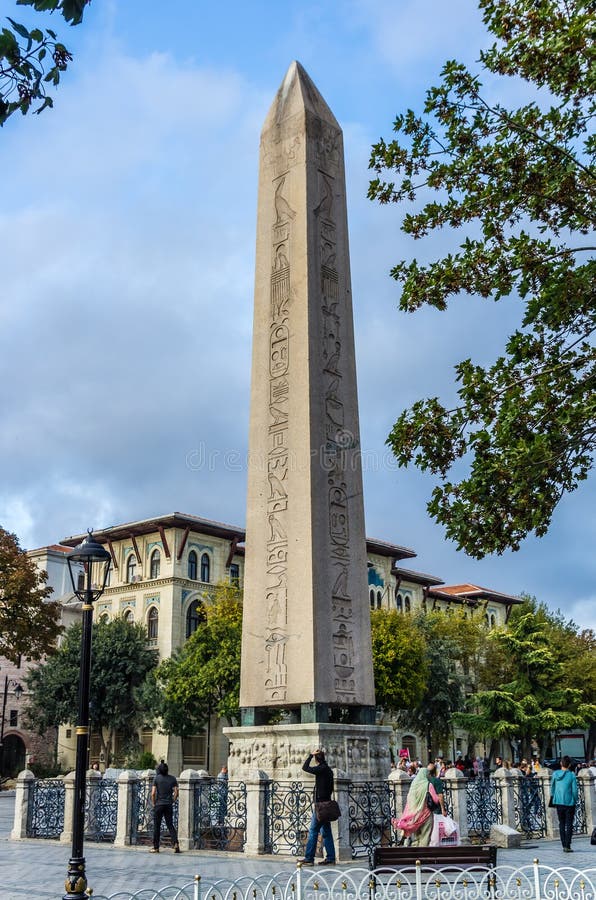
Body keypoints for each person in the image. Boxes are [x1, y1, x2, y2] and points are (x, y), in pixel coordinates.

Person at [299, 749, 336, 866]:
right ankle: (330, 858)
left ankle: (309, 858)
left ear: (316, 759)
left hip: (320, 805)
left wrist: (310, 755)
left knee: (313, 831)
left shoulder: (321, 769)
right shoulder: (328, 770)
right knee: (326, 832)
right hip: (327, 804)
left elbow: (305, 768)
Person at [395, 766, 438, 847]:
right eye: (428, 774)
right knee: (425, 836)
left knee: (416, 837)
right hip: (426, 815)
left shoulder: (413, 785)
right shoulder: (428, 785)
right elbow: (435, 800)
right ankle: (423, 856)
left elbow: (409, 800)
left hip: (414, 815)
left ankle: (415, 856)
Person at [550, 755, 578, 853]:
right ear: (569, 765)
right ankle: (568, 845)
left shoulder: (555, 774)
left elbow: (552, 788)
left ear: (561, 763)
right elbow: (574, 790)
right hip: (569, 802)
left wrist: (553, 797)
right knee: (569, 824)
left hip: (558, 802)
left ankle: (563, 844)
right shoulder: (571, 775)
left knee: (561, 823)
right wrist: (575, 799)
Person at [150, 762, 180, 853]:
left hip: (159, 804)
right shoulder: (172, 778)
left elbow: (153, 793)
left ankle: (156, 847)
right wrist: (172, 800)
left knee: (157, 826)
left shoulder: (157, 779)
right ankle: (176, 843)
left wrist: (154, 803)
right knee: (170, 825)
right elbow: (176, 792)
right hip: (168, 805)